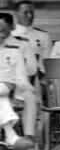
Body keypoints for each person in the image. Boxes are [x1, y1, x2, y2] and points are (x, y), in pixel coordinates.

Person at [0, 14, 37, 143]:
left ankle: (28, 136)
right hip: (3, 90)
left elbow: (29, 71)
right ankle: (10, 133)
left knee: (30, 97)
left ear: (11, 27)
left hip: (16, 87)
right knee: (2, 97)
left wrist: (13, 88)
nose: (0, 35)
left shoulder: (20, 46)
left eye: (2, 30)